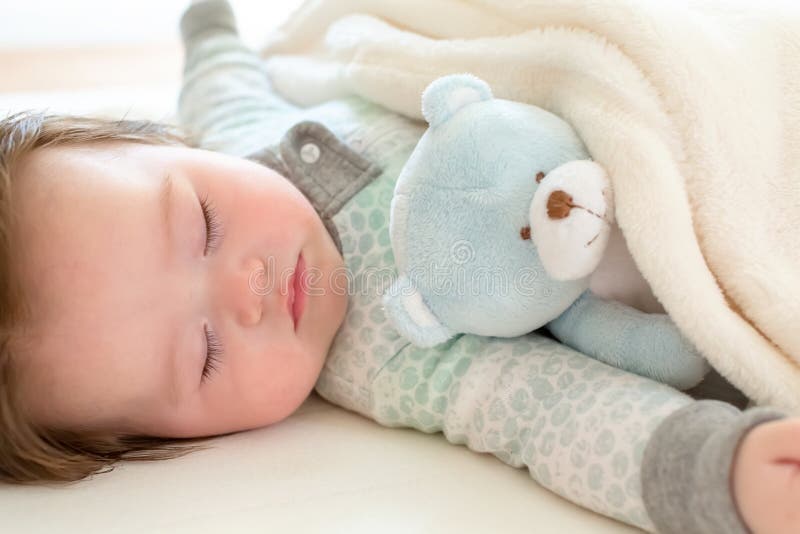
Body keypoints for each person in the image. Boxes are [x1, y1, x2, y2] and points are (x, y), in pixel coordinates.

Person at [0, 1, 798, 532]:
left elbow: (223, 79)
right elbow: (552, 417)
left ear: (171, 144)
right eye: (203, 355)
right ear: (163, 441)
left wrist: (208, 30)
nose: (248, 290)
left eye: (203, 224)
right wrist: (713, 472)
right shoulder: (396, 360)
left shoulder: (248, 133)